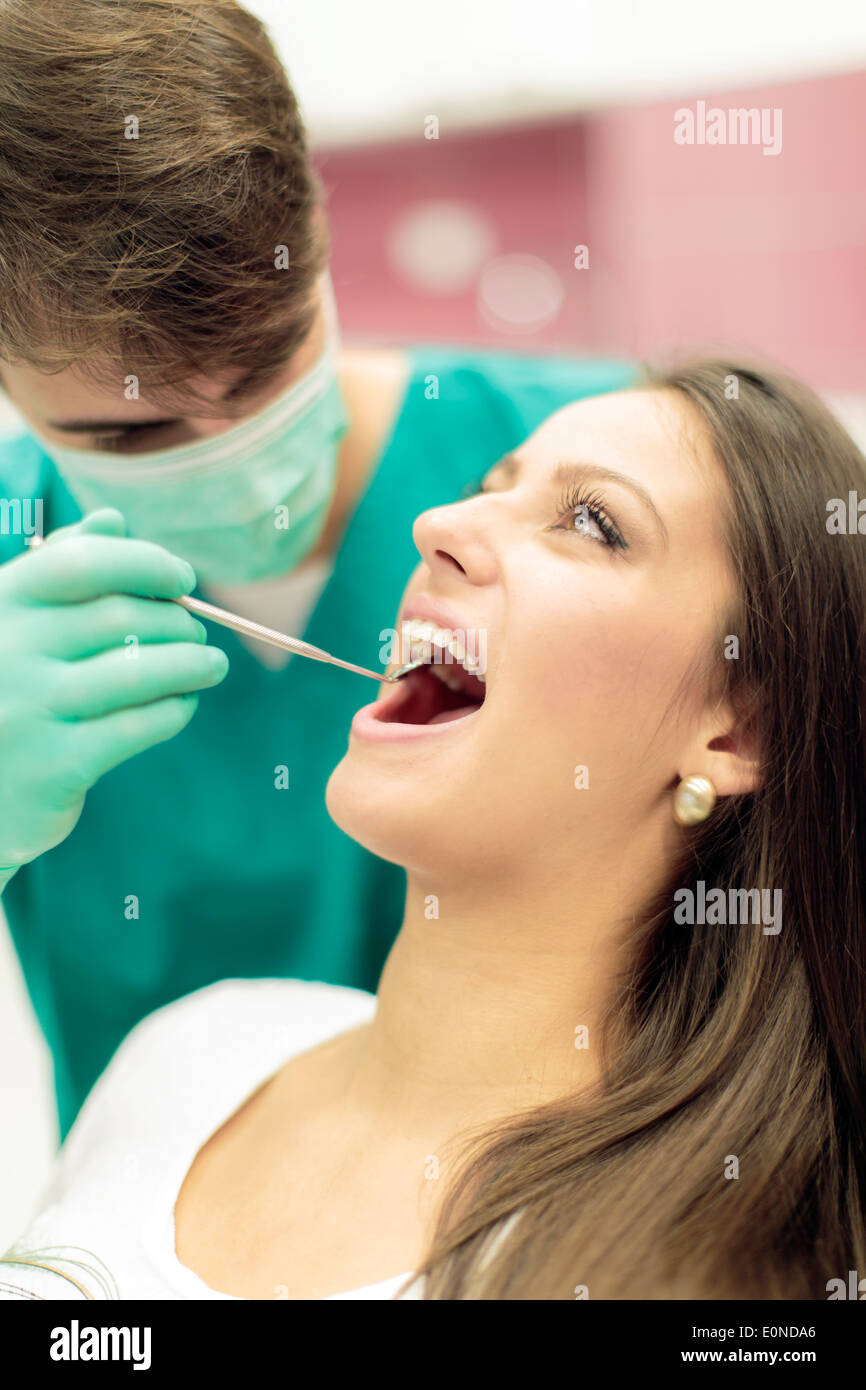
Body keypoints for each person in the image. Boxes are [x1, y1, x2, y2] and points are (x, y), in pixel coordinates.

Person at [2, 357, 865, 1301]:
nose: (437, 527)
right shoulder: (191, 1049)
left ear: (737, 728)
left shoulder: (689, 1282)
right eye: (486, 487)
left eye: (591, 523)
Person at [0, 0, 634, 1142]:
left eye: (268, 368)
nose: (238, 469)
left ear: (317, 234)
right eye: (132, 433)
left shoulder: (582, 468)